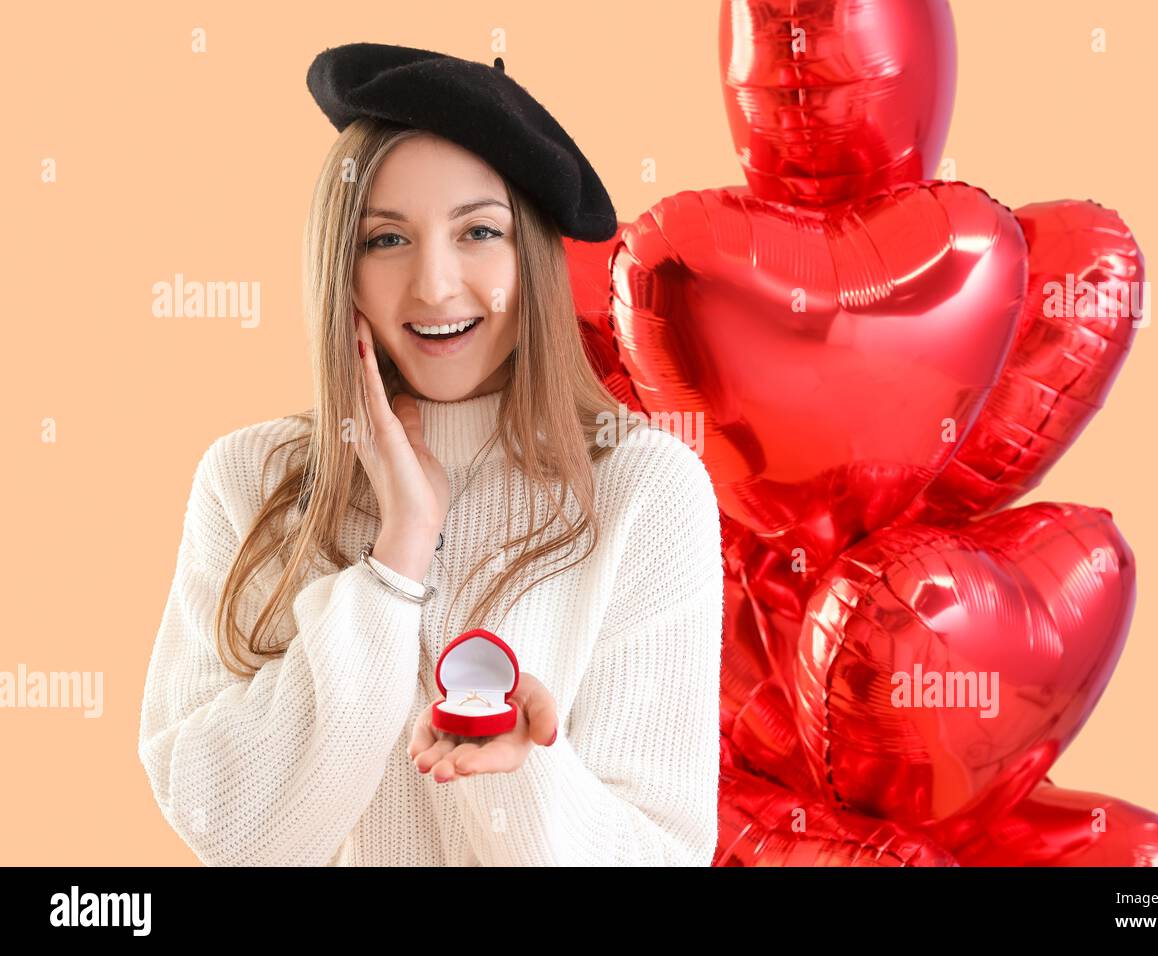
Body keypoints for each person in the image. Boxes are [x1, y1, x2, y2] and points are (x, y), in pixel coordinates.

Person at [136, 43, 724, 866]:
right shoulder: (251, 480)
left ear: (534, 260)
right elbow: (234, 832)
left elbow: (662, 853)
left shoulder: (643, 490)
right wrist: (396, 557)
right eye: (386, 241)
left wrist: (519, 773)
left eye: (479, 231)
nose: (436, 286)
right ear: (341, 269)